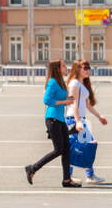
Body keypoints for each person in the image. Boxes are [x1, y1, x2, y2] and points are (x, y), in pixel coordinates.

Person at [25, 60, 81, 188]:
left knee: (66, 150)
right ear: (57, 68)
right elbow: (47, 100)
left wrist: (69, 99)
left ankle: (67, 180)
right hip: (52, 119)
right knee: (59, 150)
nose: (65, 67)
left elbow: (64, 97)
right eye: (63, 65)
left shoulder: (61, 82)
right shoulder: (52, 82)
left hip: (60, 120)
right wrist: (64, 102)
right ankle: (33, 168)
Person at [66, 59, 108, 184]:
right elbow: (73, 103)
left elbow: (86, 105)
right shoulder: (74, 84)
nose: (88, 70)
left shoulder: (80, 84)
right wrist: (78, 121)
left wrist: (99, 116)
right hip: (73, 119)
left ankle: (82, 175)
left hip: (79, 119)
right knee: (86, 146)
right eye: (85, 67)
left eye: (88, 67)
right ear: (78, 69)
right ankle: (85, 175)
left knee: (76, 147)